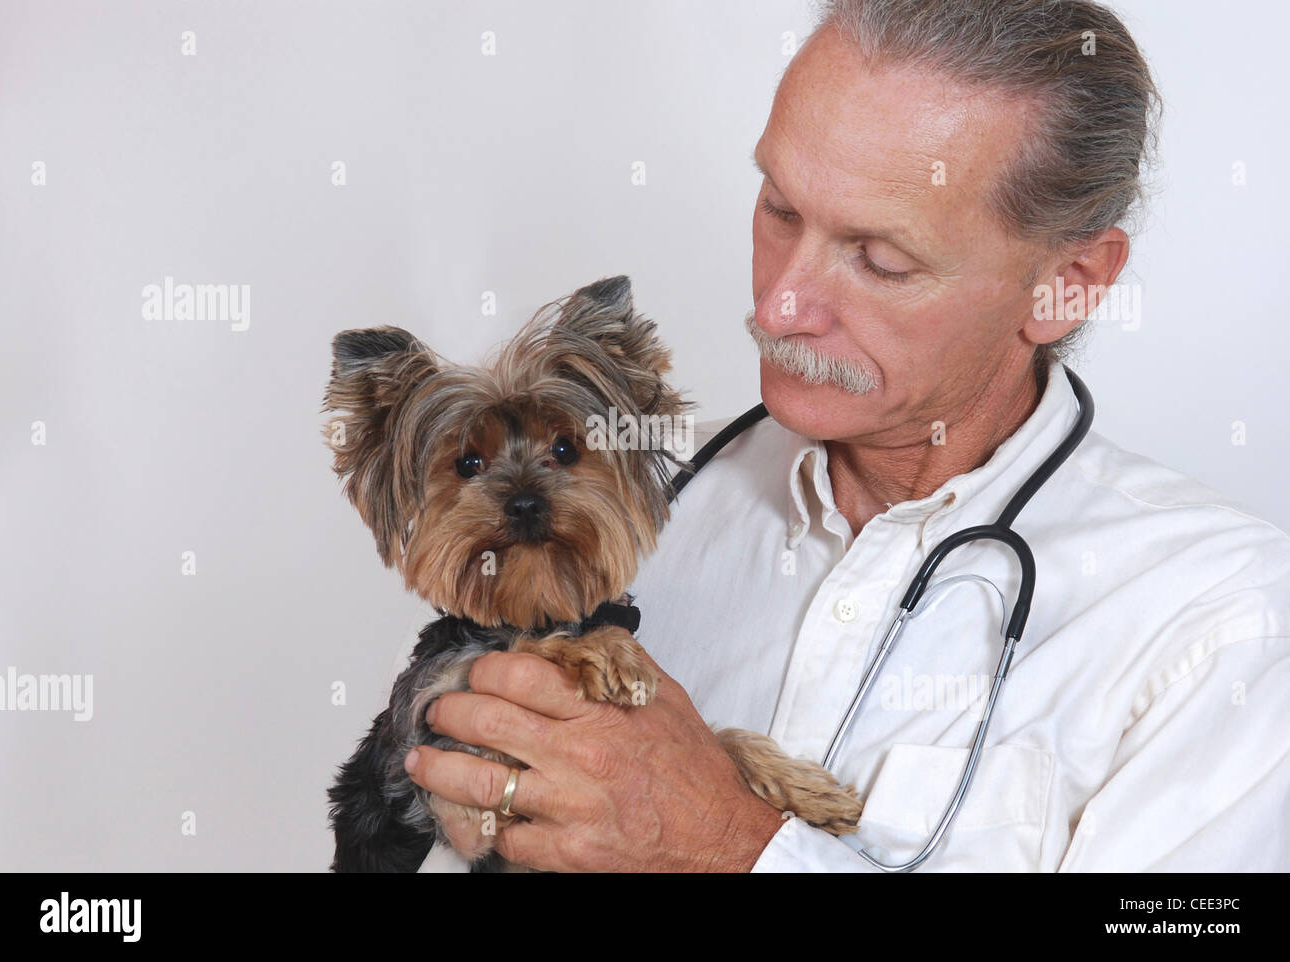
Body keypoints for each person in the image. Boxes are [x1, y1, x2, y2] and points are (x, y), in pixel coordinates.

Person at [403, 0, 1290, 871]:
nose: (779, 306)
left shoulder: (1222, 623)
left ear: (1068, 281)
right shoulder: (609, 504)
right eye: (780, 209)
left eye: (881, 260)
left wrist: (728, 847)